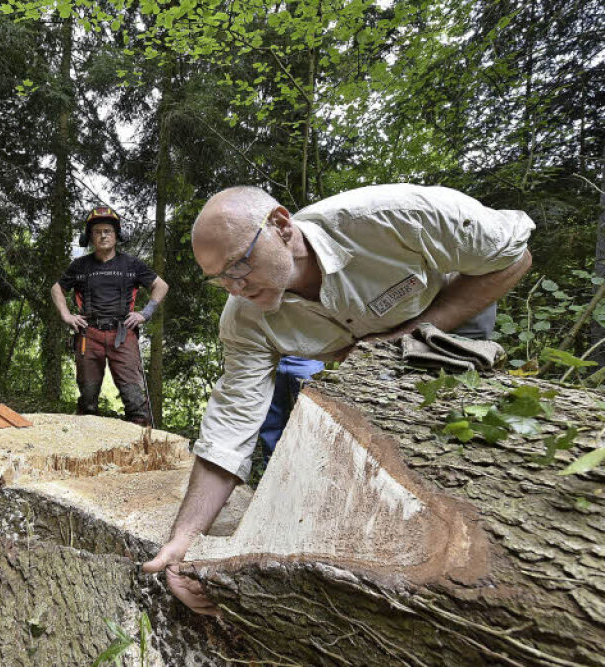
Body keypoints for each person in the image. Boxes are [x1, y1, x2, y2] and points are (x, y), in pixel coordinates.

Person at [143, 184, 533, 614]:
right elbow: (231, 428)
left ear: (281, 226)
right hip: (369, 364)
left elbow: (513, 255)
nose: (235, 286)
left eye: (239, 264)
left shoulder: (394, 218)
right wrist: (182, 540)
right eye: (220, 279)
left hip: (452, 316)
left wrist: (412, 333)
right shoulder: (245, 322)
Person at [51, 206, 169, 426]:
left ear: (117, 235)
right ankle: (86, 449)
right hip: (89, 335)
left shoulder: (132, 264)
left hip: (123, 335)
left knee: (135, 399)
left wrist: (145, 313)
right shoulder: (80, 266)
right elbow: (57, 288)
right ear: (89, 237)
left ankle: (141, 448)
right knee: (87, 399)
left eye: (108, 231)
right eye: (97, 231)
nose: (103, 235)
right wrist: (67, 316)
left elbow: (160, 285)